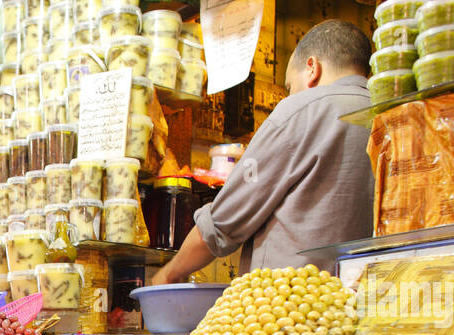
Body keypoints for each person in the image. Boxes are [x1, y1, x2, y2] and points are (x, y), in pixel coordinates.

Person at [151, 20, 374, 284]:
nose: (291, 95)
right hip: (369, 302)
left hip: (294, 307)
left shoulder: (303, 110)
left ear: (312, 68)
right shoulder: (394, 112)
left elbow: (224, 222)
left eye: (290, 86)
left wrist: (168, 273)